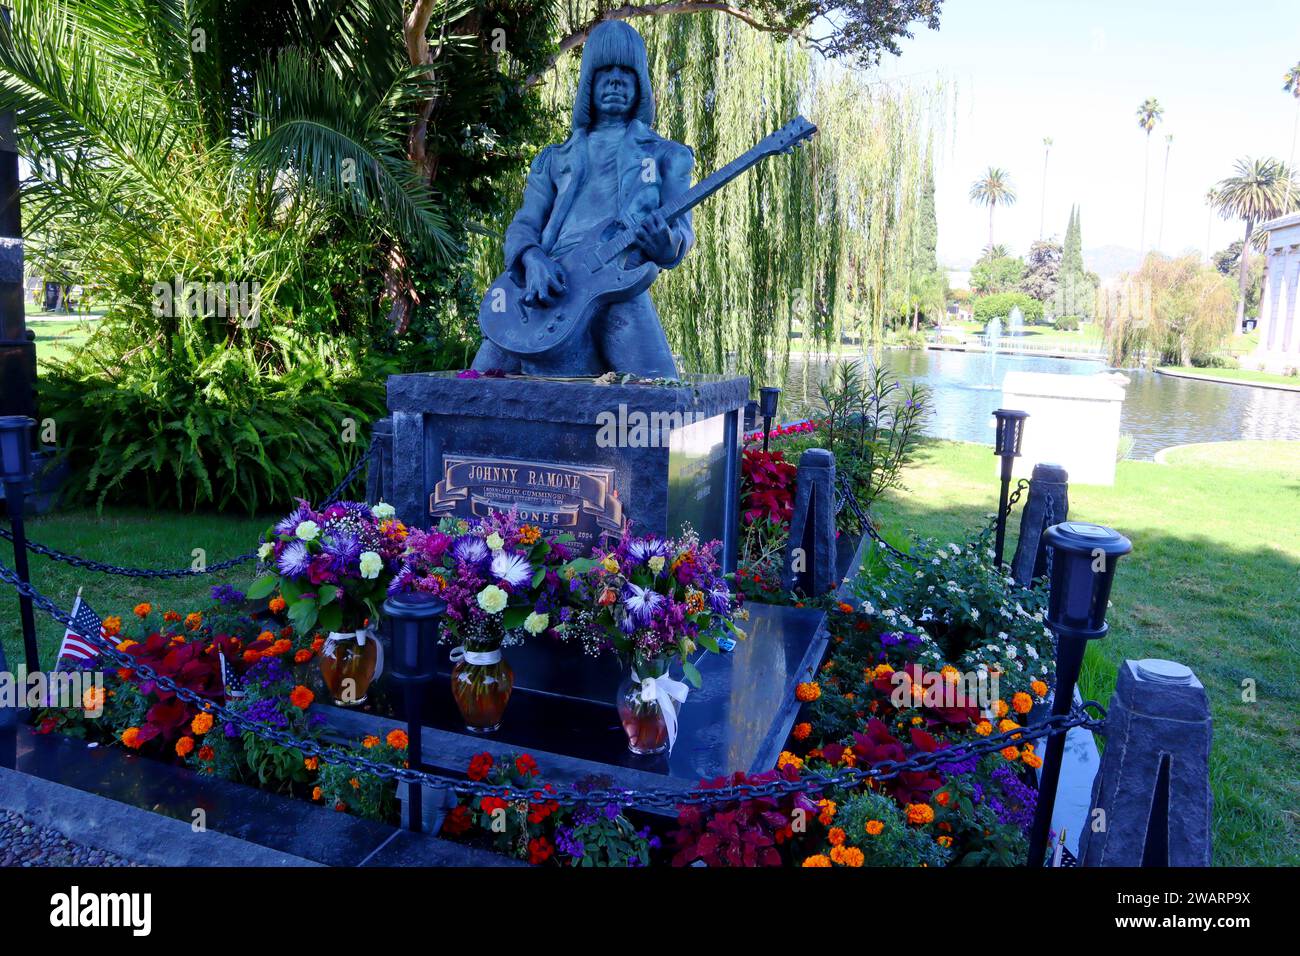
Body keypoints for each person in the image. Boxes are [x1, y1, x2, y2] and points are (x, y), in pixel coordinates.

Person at [471, 20, 693, 377]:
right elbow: (525, 224)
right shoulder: (553, 158)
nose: (616, 80)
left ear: (641, 84)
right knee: (475, 386)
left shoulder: (668, 156)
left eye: (627, 71)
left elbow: (682, 232)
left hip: (618, 285)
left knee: (661, 397)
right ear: (589, 82)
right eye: (605, 71)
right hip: (546, 288)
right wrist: (532, 259)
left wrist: (665, 244)